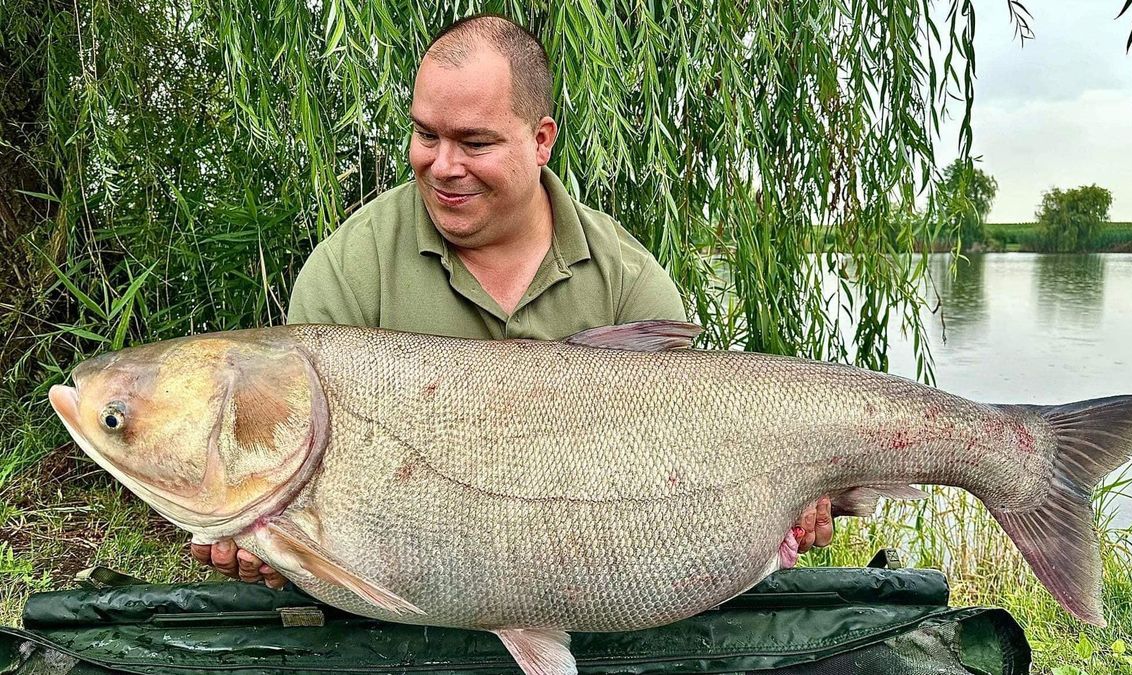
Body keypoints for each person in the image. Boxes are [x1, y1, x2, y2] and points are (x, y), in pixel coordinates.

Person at [191, 13, 832, 589]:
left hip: (595, 593)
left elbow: (689, 463)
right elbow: (306, 506)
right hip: (401, 615)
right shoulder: (349, 271)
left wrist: (780, 496)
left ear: (541, 139)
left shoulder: (626, 279)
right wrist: (271, 544)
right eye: (426, 135)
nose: (443, 165)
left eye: (475, 143)